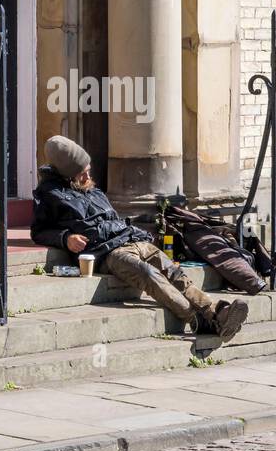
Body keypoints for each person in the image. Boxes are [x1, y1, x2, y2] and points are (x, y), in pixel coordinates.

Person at [30, 135, 251, 343]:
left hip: (130, 238)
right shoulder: (50, 195)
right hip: (106, 252)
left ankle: (215, 311)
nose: (88, 177)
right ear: (67, 174)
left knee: (173, 271)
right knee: (149, 273)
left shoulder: (91, 189)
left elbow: (112, 217)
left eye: (88, 170)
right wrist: (65, 238)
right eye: (81, 174)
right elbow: (38, 231)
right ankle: (199, 320)